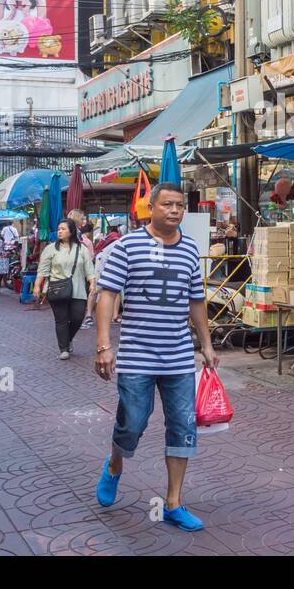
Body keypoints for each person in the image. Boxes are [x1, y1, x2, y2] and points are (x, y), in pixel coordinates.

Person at [93, 182, 218, 532]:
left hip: (178, 356)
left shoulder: (190, 250)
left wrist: (205, 344)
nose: (174, 211)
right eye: (167, 204)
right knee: (133, 422)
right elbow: (107, 295)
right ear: (151, 207)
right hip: (136, 355)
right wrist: (104, 344)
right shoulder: (127, 246)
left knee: (182, 425)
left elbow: (196, 300)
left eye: (180, 205)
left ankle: (174, 502)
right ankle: (115, 463)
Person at [36, 220, 94, 360]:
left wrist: (92, 283)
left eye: (63, 229)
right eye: (58, 229)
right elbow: (42, 270)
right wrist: (37, 286)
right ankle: (63, 348)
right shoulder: (50, 249)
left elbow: (89, 269)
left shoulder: (82, 249)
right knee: (61, 319)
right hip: (57, 289)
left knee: (77, 317)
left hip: (78, 289)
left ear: (71, 231)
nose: (59, 231)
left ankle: (67, 339)